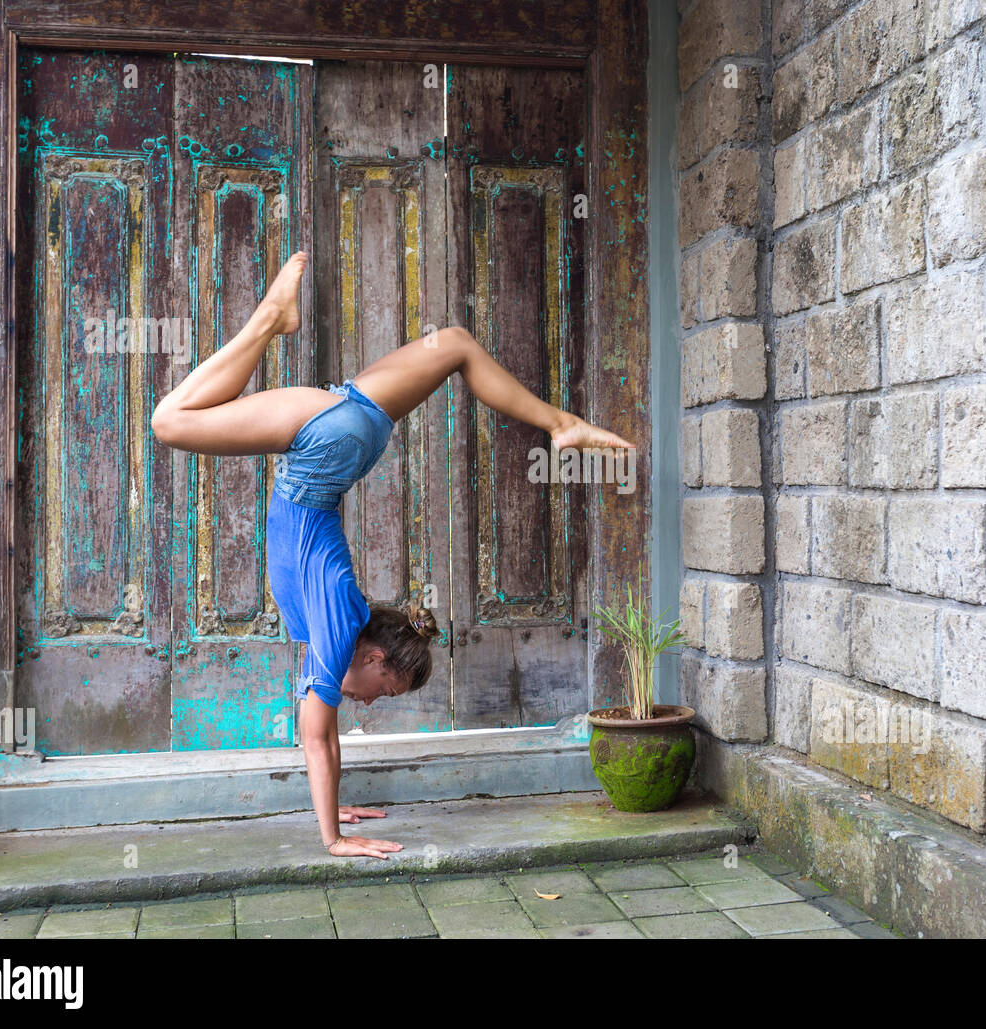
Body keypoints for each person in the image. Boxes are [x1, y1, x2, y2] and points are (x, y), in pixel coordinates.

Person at [150, 251, 636, 858]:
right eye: (384, 687)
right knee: (168, 422)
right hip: (321, 449)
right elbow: (319, 742)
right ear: (374, 654)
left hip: (352, 423)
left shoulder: (333, 630)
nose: (371, 702)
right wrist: (333, 840)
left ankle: (563, 424)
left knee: (456, 344)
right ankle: (270, 317)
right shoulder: (333, 636)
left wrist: (333, 806)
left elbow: (320, 743)